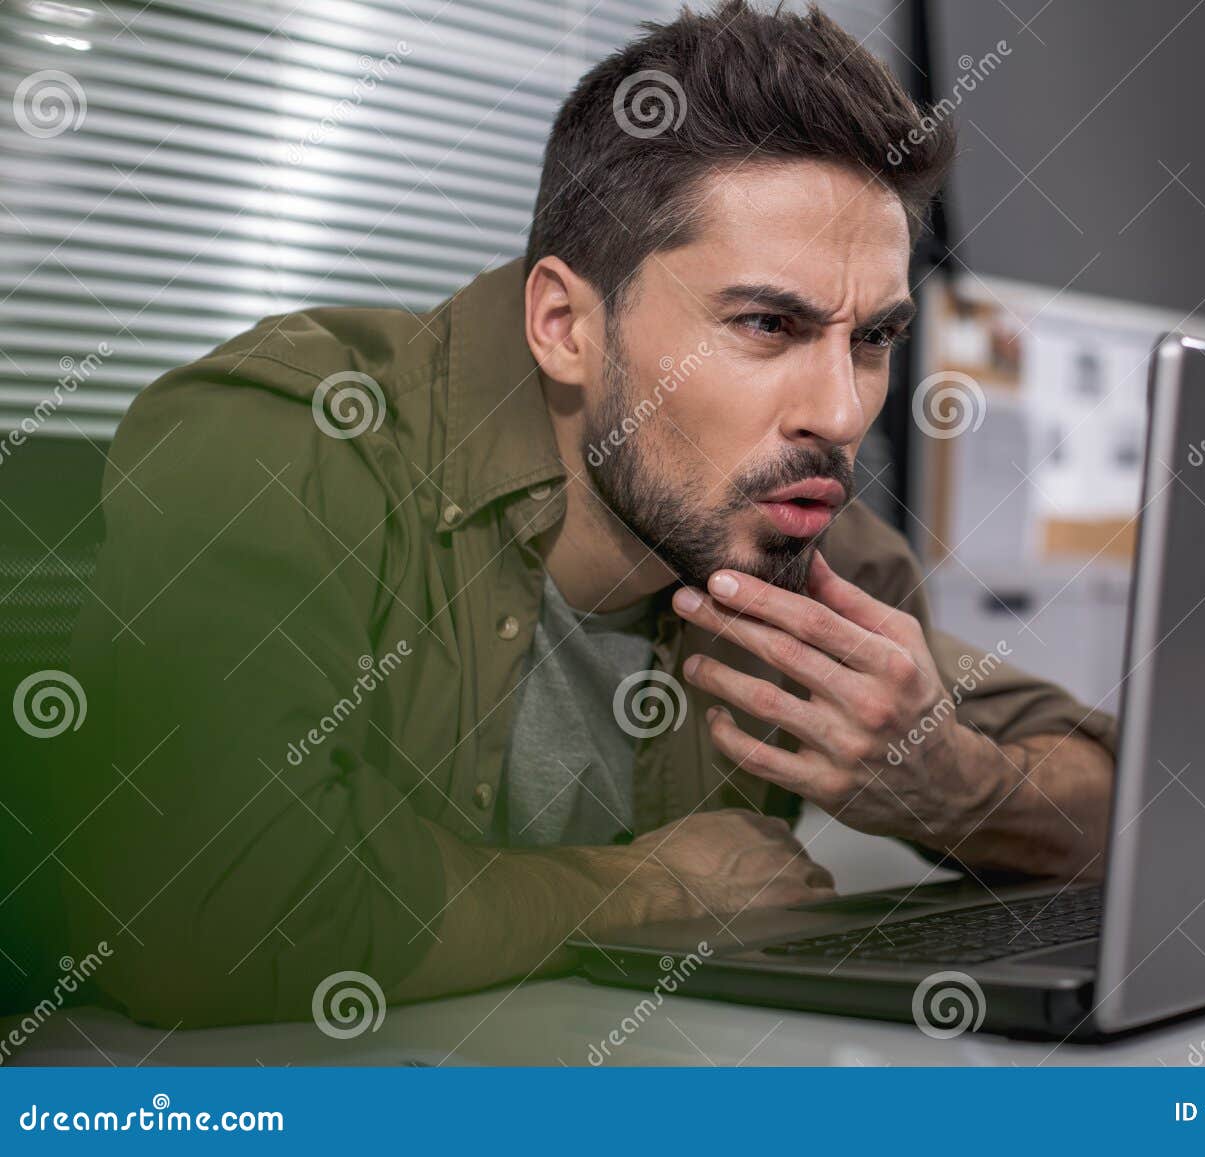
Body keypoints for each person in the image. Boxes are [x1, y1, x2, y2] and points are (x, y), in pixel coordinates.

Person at [59, 1, 1115, 1026]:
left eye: (872, 340)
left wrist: (961, 785)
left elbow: (1151, 808)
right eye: (764, 323)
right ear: (564, 322)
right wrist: (638, 889)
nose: (840, 412)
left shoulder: (806, 545)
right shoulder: (292, 442)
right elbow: (196, 915)